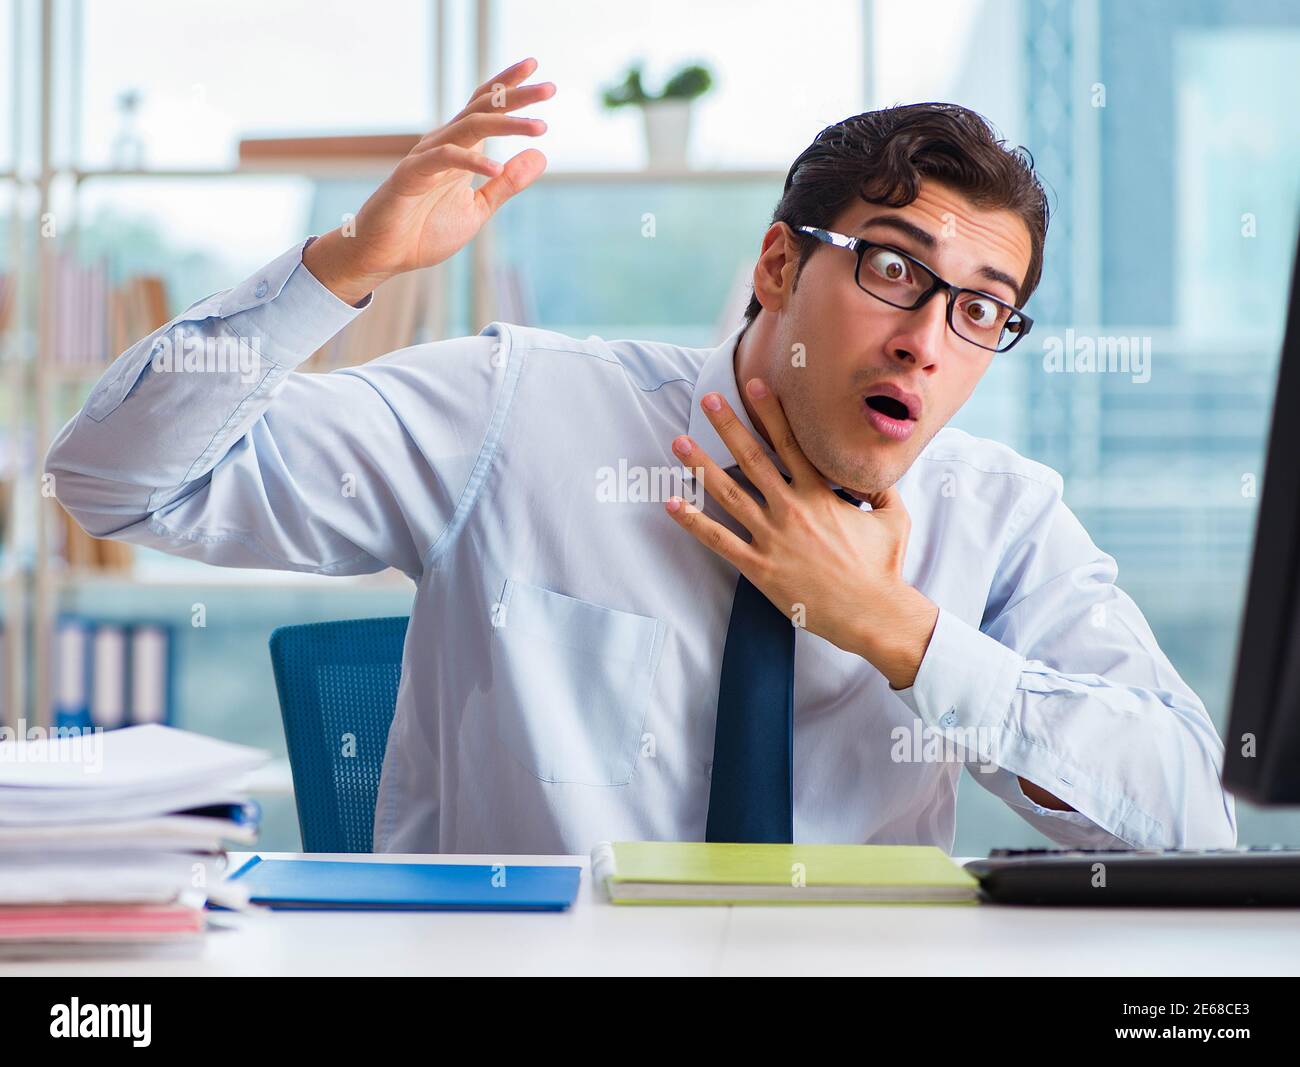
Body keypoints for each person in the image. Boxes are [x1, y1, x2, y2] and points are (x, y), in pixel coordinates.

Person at [46, 57, 1235, 854]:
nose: (926, 341)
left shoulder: (1000, 518)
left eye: (979, 308)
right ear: (777, 266)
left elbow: (1191, 817)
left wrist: (897, 631)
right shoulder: (516, 414)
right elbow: (118, 479)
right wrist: (346, 263)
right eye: (891, 270)